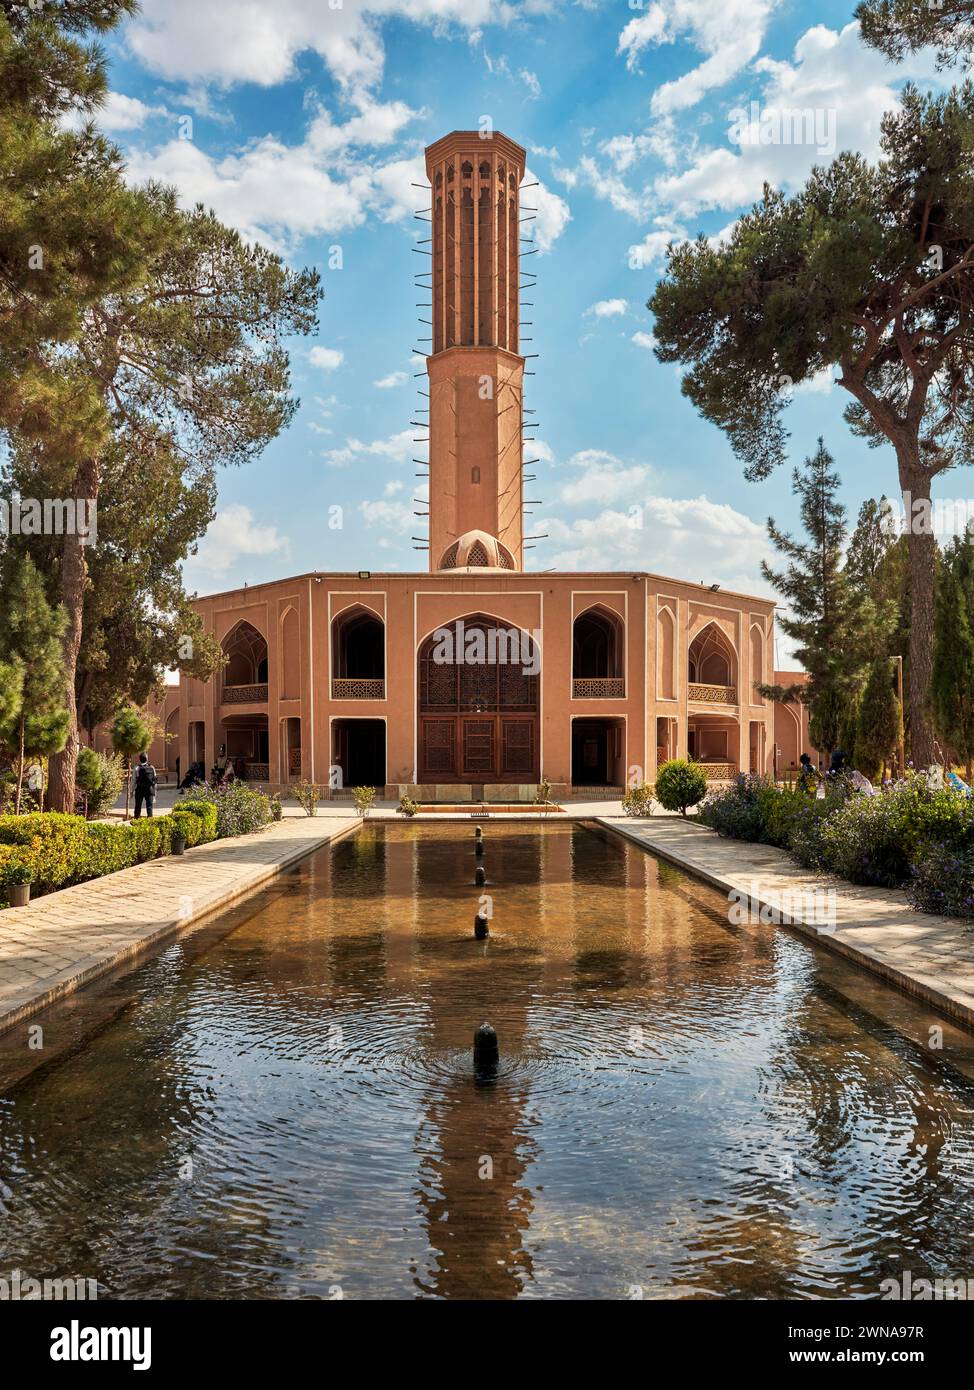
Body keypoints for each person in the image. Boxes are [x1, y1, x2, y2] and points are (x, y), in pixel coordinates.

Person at [133, 751, 157, 818]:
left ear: (139, 759)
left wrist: (131, 791)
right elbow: (154, 781)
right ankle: (150, 820)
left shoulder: (136, 768)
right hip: (149, 789)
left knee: (138, 805)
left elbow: (133, 781)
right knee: (149, 806)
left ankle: (136, 819)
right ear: (147, 759)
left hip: (139, 789)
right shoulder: (152, 767)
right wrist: (154, 793)